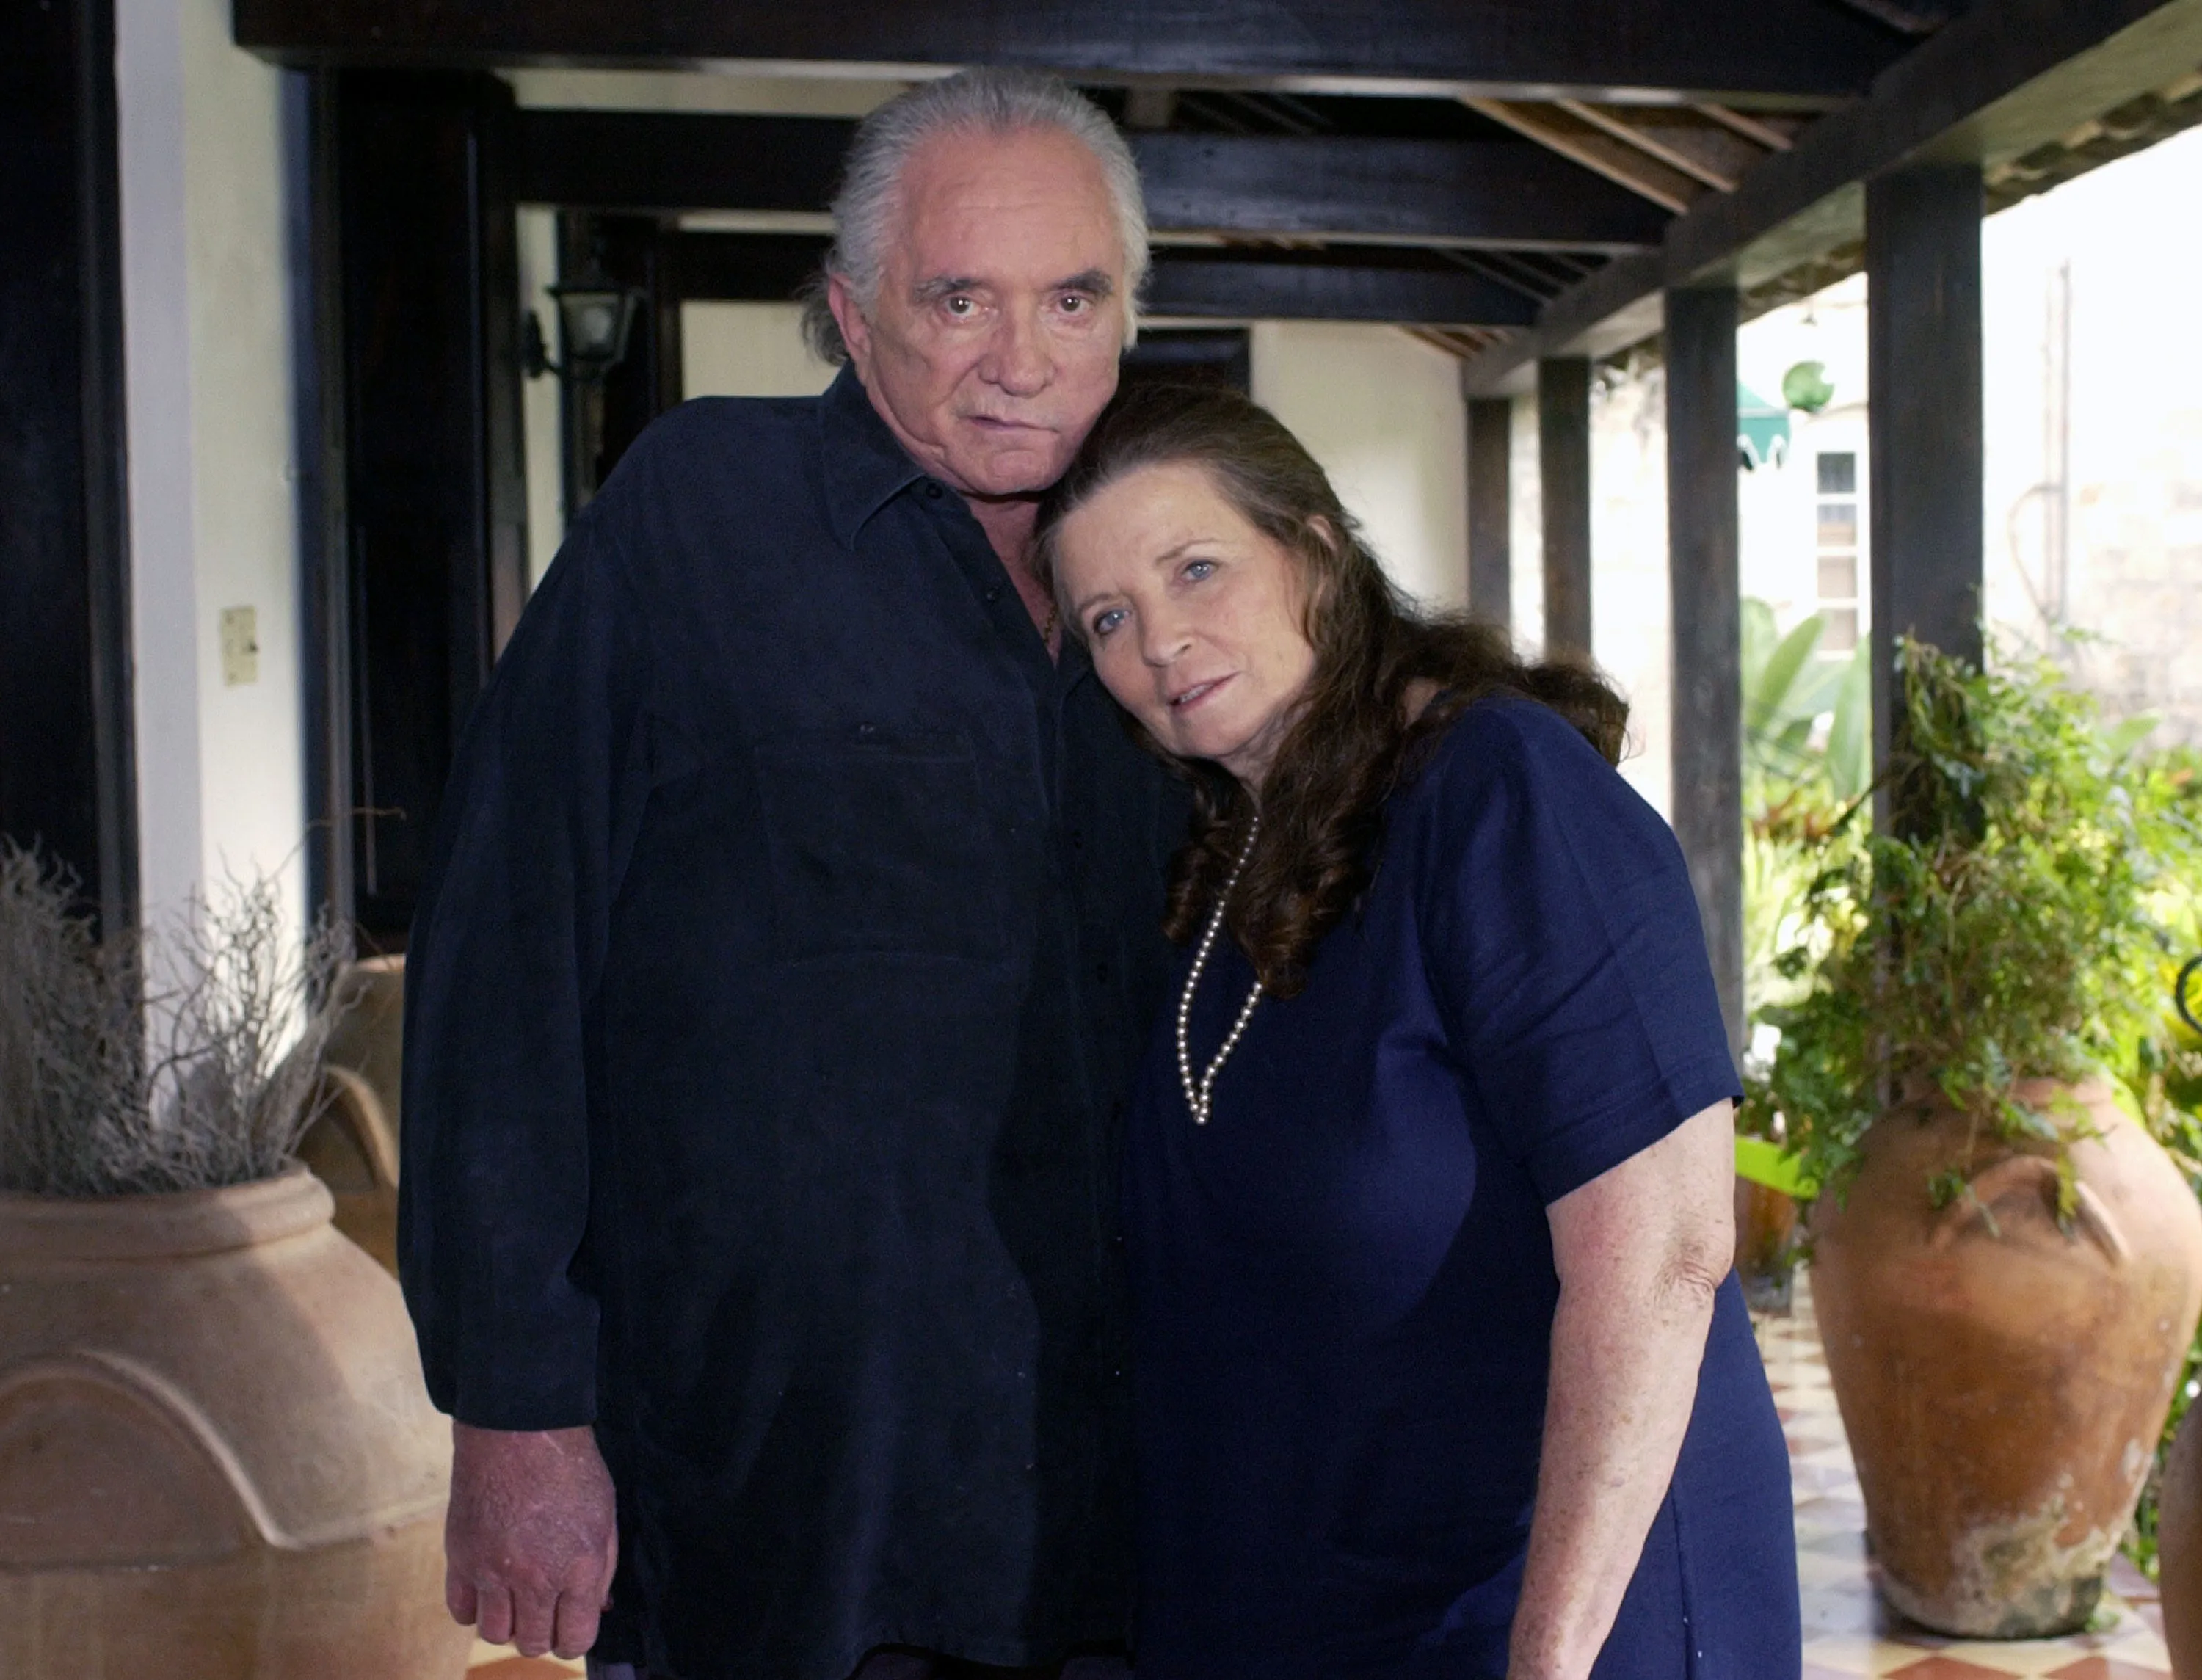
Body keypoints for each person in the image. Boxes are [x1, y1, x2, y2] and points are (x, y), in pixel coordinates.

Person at [399, 71, 1187, 1680]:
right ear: (853, 310)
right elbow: (504, 969)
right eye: (958, 297)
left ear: (1129, 317)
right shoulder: (695, 519)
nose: (1021, 359)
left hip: (1126, 1485)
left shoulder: (1188, 575)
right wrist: (519, 1410)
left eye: (1072, 298)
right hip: (777, 1491)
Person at [1037, 384, 1801, 1679]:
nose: (1161, 641)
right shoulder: (1230, 848)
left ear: (1320, 552)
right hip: (1348, 1596)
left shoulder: (1499, 795)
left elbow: (1666, 1251)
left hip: (1546, 1605)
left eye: (1197, 568)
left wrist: (1548, 1657)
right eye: (1111, 617)